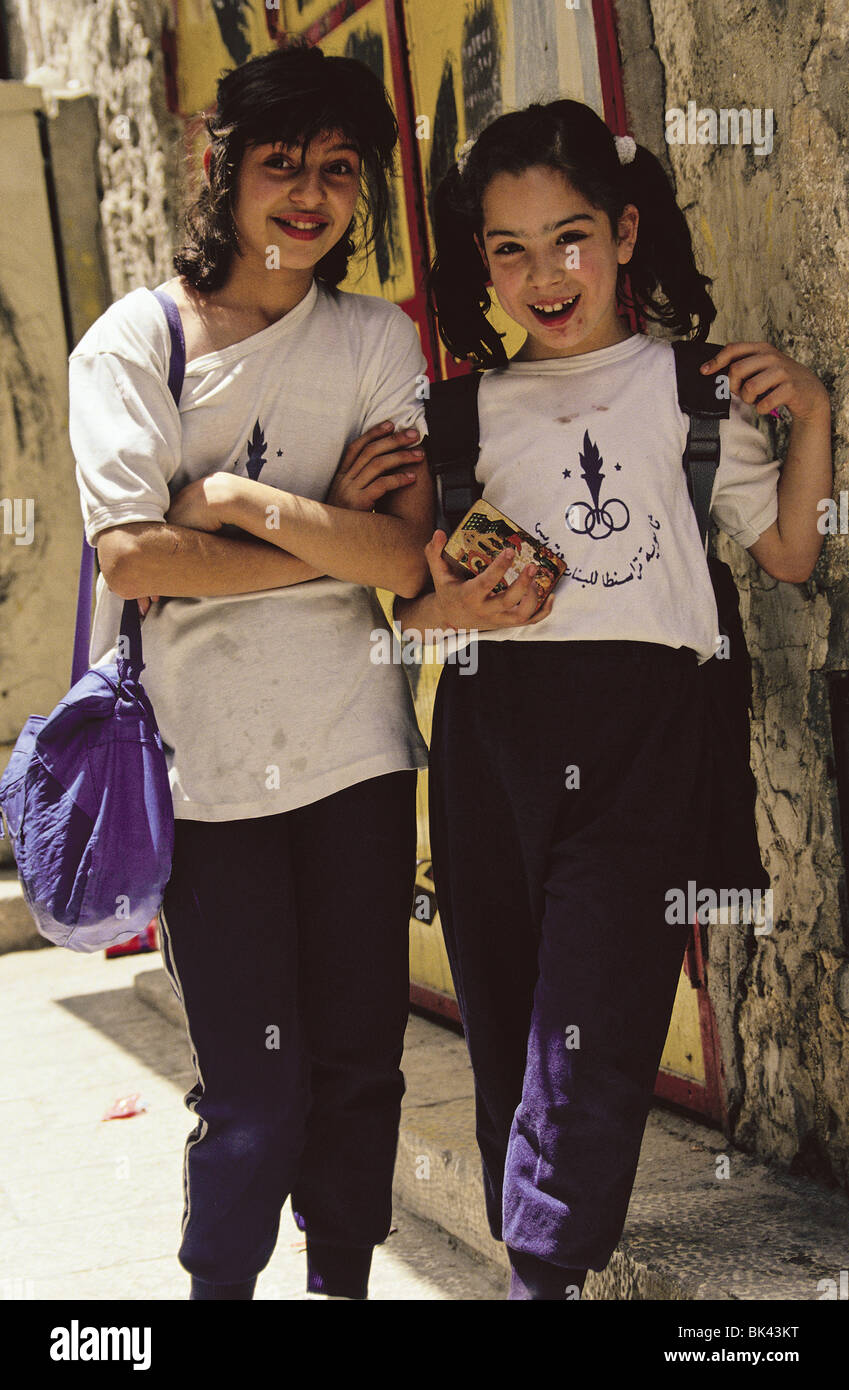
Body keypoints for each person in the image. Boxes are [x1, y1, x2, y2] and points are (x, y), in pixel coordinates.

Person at [396, 99, 831, 1300]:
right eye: (511, 248)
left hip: (646, 738)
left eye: (572, 236)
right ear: (480, 259)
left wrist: (816, 415)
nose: (545, 274)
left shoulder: (697, 395)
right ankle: (545, 1265)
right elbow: (405, 620)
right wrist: (462, 609)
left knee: (591, 1011)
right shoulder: (457, 420)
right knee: (504, 1007)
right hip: (493, 735)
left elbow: (791, 554)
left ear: (627, 232)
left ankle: (545, 1271)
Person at [70, 45, 433, 1301]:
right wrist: (318, 518)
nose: (310, 194)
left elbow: (401, 552)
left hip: (358, 766)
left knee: (361, 1068)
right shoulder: (133, 346)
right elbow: (130, 561)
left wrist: (227, 505)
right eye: (283, 162)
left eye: (340, 169)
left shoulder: (376, 338)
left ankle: (342, 1285)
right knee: (259, 1092)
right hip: (208, 780)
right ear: (221, 168)